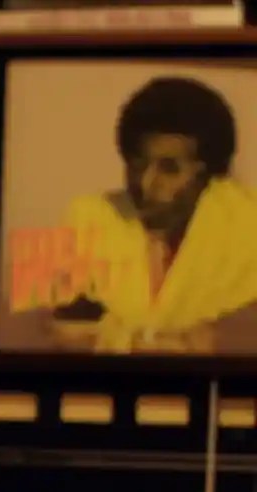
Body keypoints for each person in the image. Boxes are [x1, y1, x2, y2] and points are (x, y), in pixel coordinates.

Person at [48, 75, 257, 353]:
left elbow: (240, 341)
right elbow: (56, 332)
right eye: (137, 165)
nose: (146, 185)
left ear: (209, 176)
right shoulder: (83, 213)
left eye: (169, 169)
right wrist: (170, 343)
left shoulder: (246, 222)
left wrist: (113, 336)